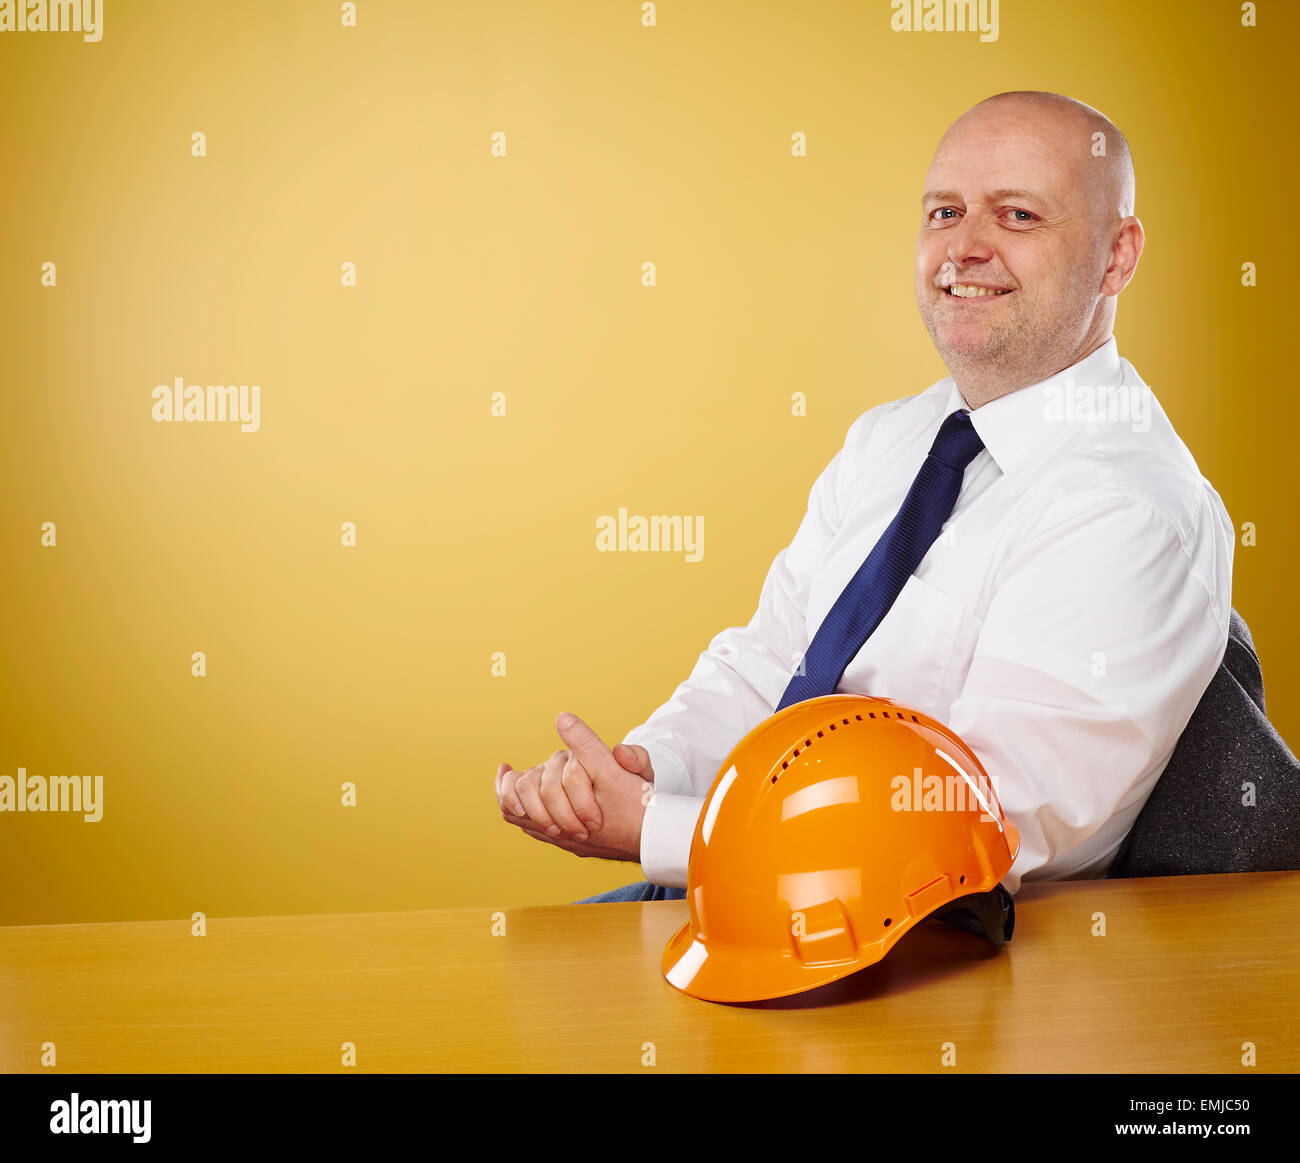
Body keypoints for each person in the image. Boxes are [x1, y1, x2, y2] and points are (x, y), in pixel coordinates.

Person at [493, 90, 1234, 902]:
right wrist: (648, 767)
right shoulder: (894, 436)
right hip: (747, 879)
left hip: (921, 950)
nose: (965, 247)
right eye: (944, 212)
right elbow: (774, 662)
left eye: (1018, 216)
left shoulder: (1126, 510)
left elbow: (975, 818)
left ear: (1117, 256)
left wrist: (659, 830)